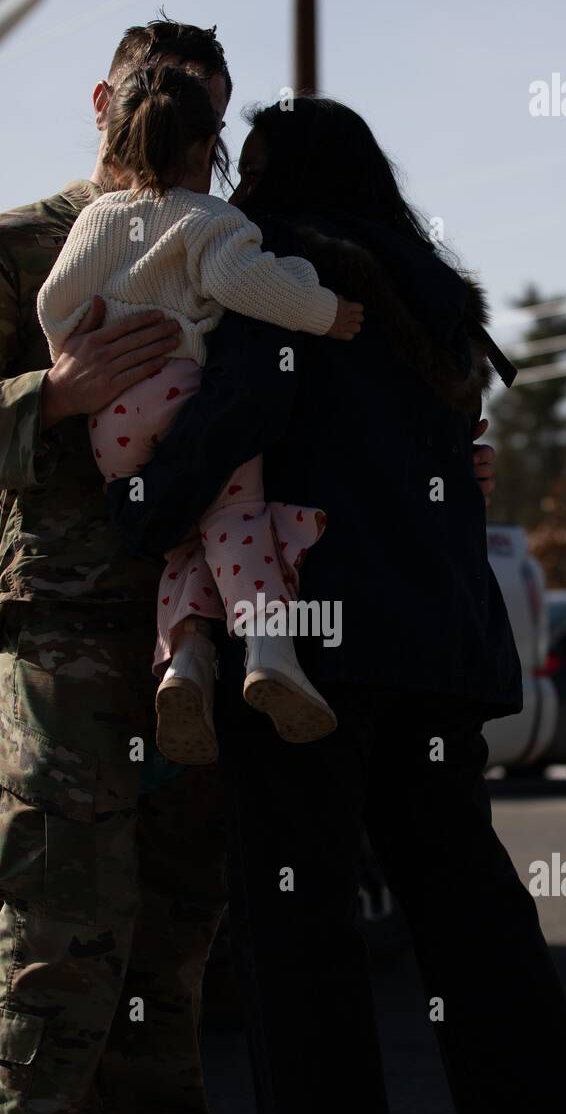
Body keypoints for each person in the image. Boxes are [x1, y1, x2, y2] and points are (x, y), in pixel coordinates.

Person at [109, 96, 566, 1114]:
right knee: (473, 926)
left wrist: (131, 509)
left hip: (307, 651)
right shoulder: (436, 298)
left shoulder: (273, 272)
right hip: (438, 658)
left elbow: (236, 412)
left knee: (302, 942)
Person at [0, 15, 276, 1114]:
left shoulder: (225, 256)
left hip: (188, 639)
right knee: (62, 914)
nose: (190, 135)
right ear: (106, 96)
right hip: (59, 632)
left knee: (176, 919)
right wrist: (46, 397)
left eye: (210, 115)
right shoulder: (9, 251)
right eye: (168, 101)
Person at [37, 63, 364, 763]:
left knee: (186, 536)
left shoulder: (94, 218)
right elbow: (247, 283)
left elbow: (53, 306)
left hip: (112, 424)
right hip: (184, 391)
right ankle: (269, 648)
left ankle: (186, 662)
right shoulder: (211, 219)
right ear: (205, 149)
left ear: (120, 143)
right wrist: (324, 308)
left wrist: (80, 345)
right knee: (234, 517)